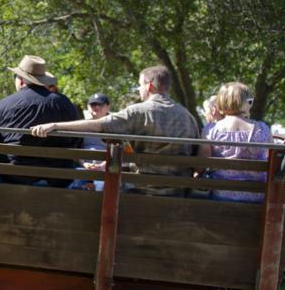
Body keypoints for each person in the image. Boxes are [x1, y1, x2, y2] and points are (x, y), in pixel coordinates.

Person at [32, 65, 200, 196]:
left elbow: (98, 125)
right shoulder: (188, 117)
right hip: (178, 192)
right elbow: (199, 154)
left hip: (139, 191)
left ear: (148, 86)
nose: (139, 90)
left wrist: (55, 125)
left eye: (140, 86)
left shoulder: (139, 111)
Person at [0, 55, 81, 187]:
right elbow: (76, 141)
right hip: (58, 178)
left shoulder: (5, 104)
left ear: (20, 81)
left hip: (14, 177)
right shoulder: (63, 102)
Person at [197, 82, 271, 202]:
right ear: (246, 103)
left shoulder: (211, 130)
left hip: (221, 196)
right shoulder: (263, 129)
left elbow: (200, 167)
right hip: (257, 199)